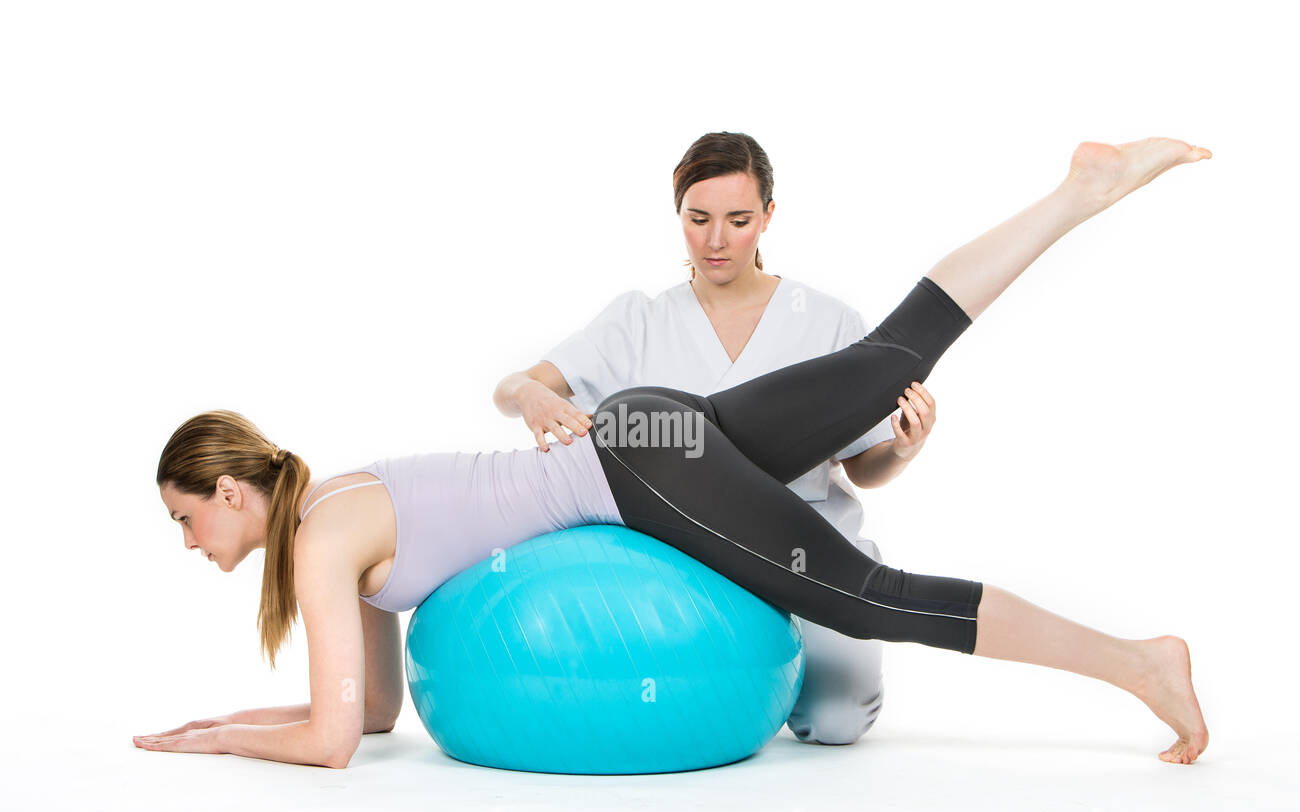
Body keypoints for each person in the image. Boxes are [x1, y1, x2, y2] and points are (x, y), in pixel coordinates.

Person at [140, 136, 1212, 771]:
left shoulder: (324, 532)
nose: (190, 540)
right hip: (650, 429)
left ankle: (1136, 664)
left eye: (187, 516)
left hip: (639, 465)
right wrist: (237, 711)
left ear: (233, 489)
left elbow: (331, 743)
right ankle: (1082, 191)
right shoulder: (335, 502)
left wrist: (211, 744)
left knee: (871, 594)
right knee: (889, 356)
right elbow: (370, 713)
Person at [493, 131, 935, 745]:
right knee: (667, 710)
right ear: (679, 215)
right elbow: (513, 385)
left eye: (738, 220)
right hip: (682, 553)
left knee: (837, 720)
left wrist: (903, 448)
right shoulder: (639, 320)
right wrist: (532, 396)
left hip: (807, 545)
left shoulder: (830, 321)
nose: (716, 240)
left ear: (769, 217)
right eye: (698, 219)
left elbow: (863, 468)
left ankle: (786, 660)